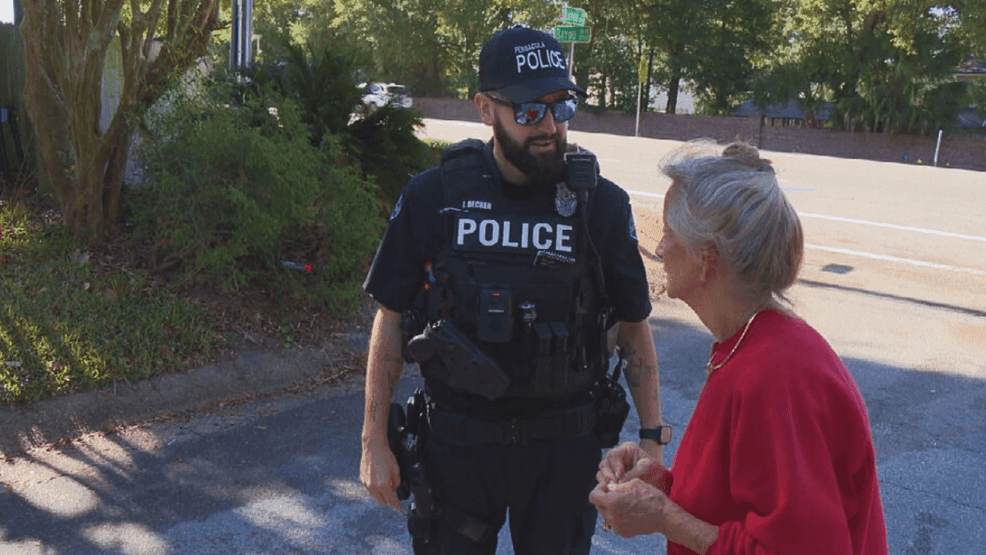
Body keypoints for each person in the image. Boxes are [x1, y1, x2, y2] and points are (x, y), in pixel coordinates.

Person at [359, 24, 667, 555]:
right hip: (455, 448)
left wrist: (652, 442)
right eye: (527, 110)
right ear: (485, 109)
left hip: (565, 450)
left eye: (560, 106)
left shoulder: (602, 206)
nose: (548, 125)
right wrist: (373, 441)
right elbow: (391, 316)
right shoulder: (434, 198)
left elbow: (634, 330)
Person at [589, 141, 889, 555]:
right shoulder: (751, 345)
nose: (660, 248)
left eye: (669, 232)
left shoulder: (776, 377)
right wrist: (663, 485)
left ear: (705, 258)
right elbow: (743, 502)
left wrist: (663, 516)